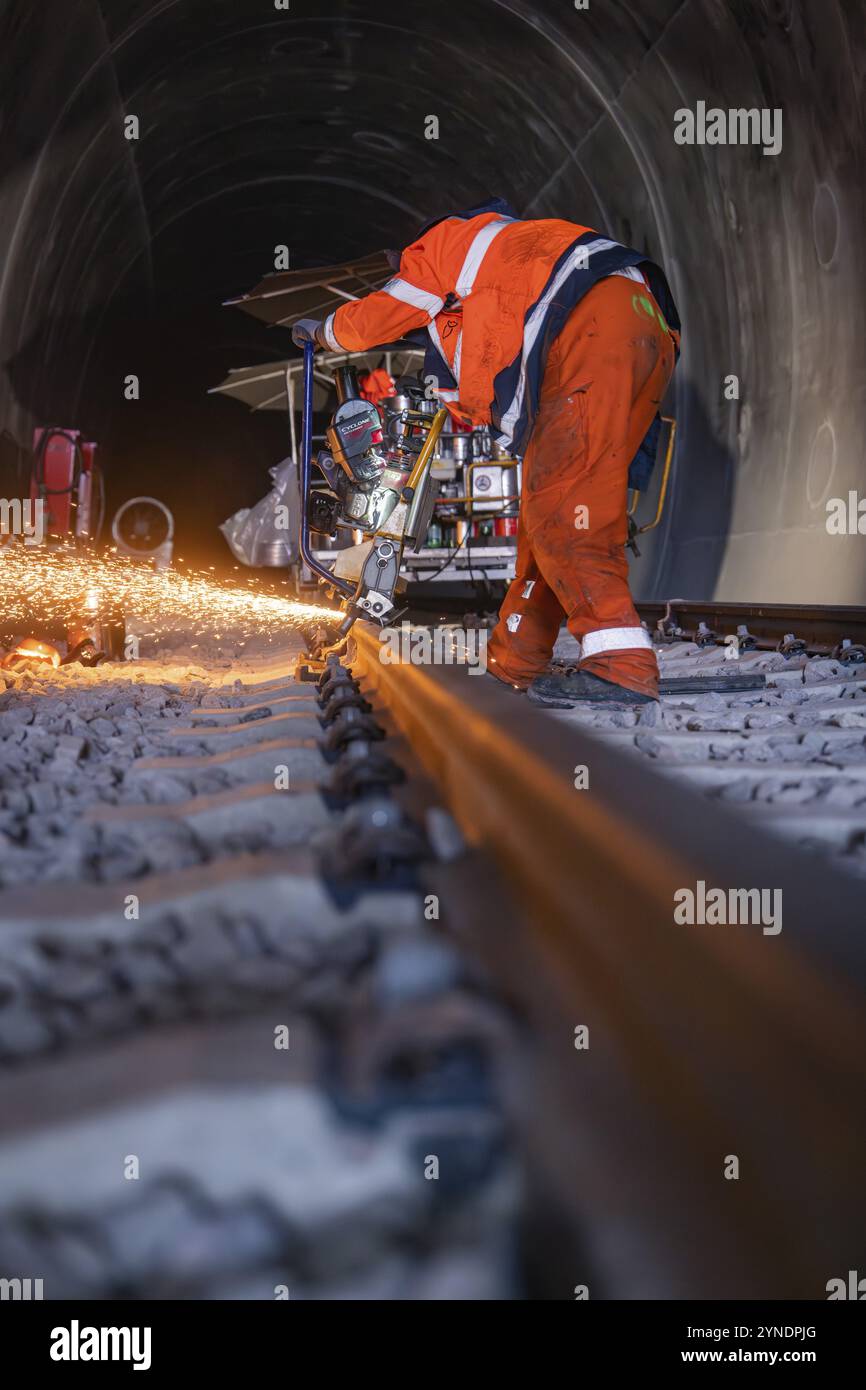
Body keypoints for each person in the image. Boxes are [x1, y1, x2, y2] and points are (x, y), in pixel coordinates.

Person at [292, 197, 680, 706]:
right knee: (550, 513)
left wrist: (323, 332)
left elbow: (384, 312)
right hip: (648, 325)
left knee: (568, 510)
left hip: (592, 332)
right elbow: (474, 374)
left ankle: (622, 664)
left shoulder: (444, 243)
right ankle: (514, 662)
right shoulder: (515, 259)